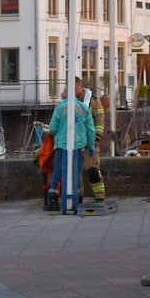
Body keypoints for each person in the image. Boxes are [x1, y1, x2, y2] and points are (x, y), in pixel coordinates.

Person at [44, 79, 97, 212]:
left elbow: (52, 129)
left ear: (66, 94)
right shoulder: (83, 108)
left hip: (62, 145)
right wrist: (91, 146)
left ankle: (53, 200)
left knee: (58, 172)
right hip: (79, 146)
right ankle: (76, 198)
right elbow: (91, 130)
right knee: (76, 172)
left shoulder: (60, 108)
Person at [74, 76, 107, 203]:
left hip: (90, 142)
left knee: (93, 169)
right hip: (76, 141)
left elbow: (100, 120)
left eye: (74, 87)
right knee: (75, 171)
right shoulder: (70, 102)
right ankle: (78, 195)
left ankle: (99, 196)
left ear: (80, 85)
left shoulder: (93, 102)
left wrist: (97, 137)